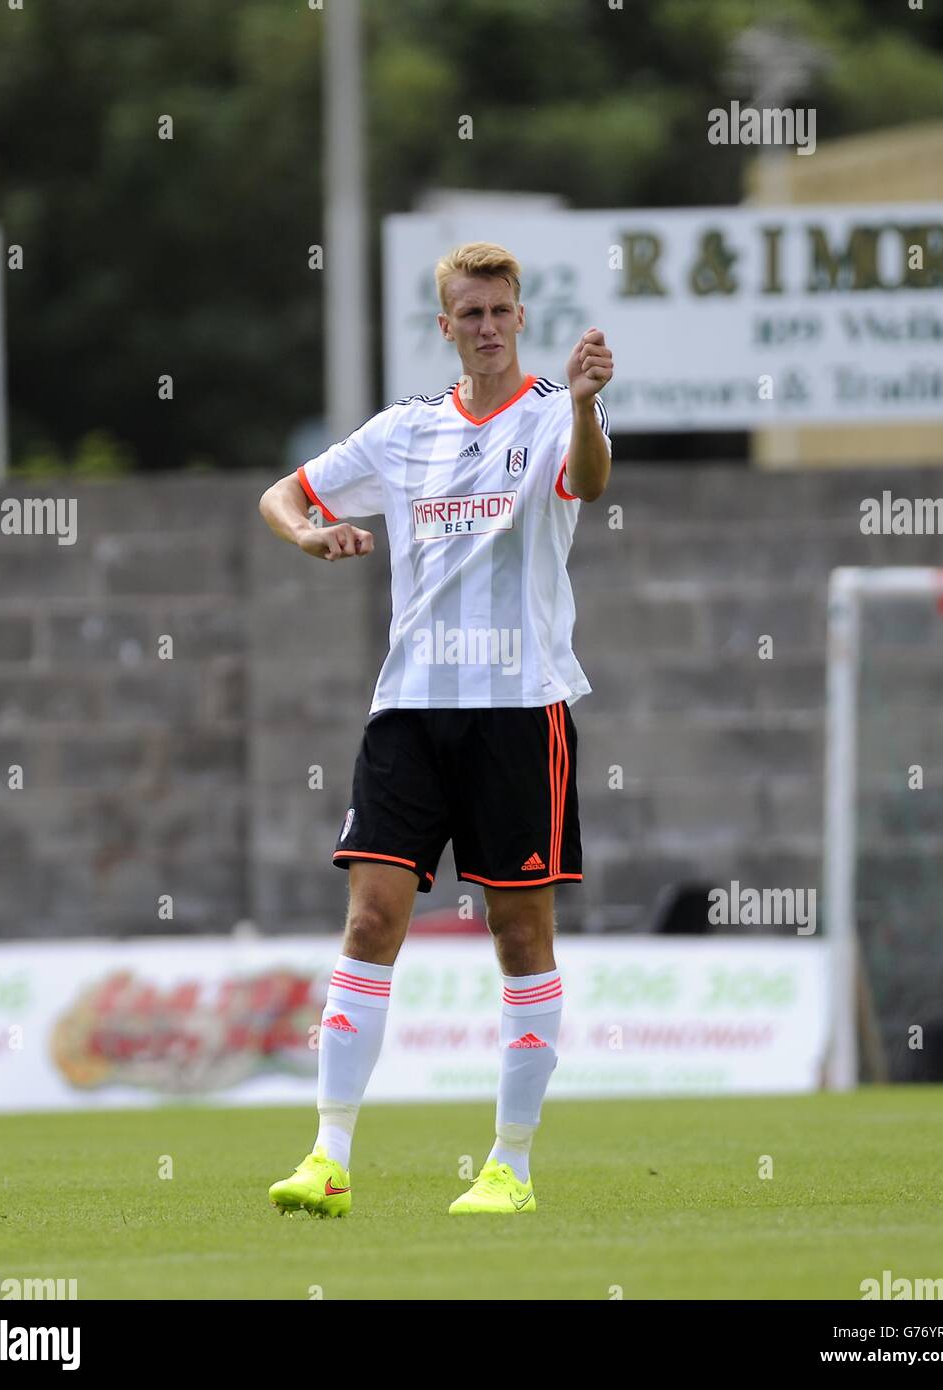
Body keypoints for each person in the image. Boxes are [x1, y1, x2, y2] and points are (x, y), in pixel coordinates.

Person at [258, 241, 613, 1216]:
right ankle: (327, 1155)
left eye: (501, 309)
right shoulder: (401, 431)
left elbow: (589, 481)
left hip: (518, 711)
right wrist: (310, 533)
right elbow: (281, 494)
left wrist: (584, 403)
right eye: (470, 312)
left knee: (515, 931)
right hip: (407, 712)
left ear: (519, 316)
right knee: (371, 917)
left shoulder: (553, 413)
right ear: (445, 324)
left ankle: (511, 1163)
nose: (487, 326)